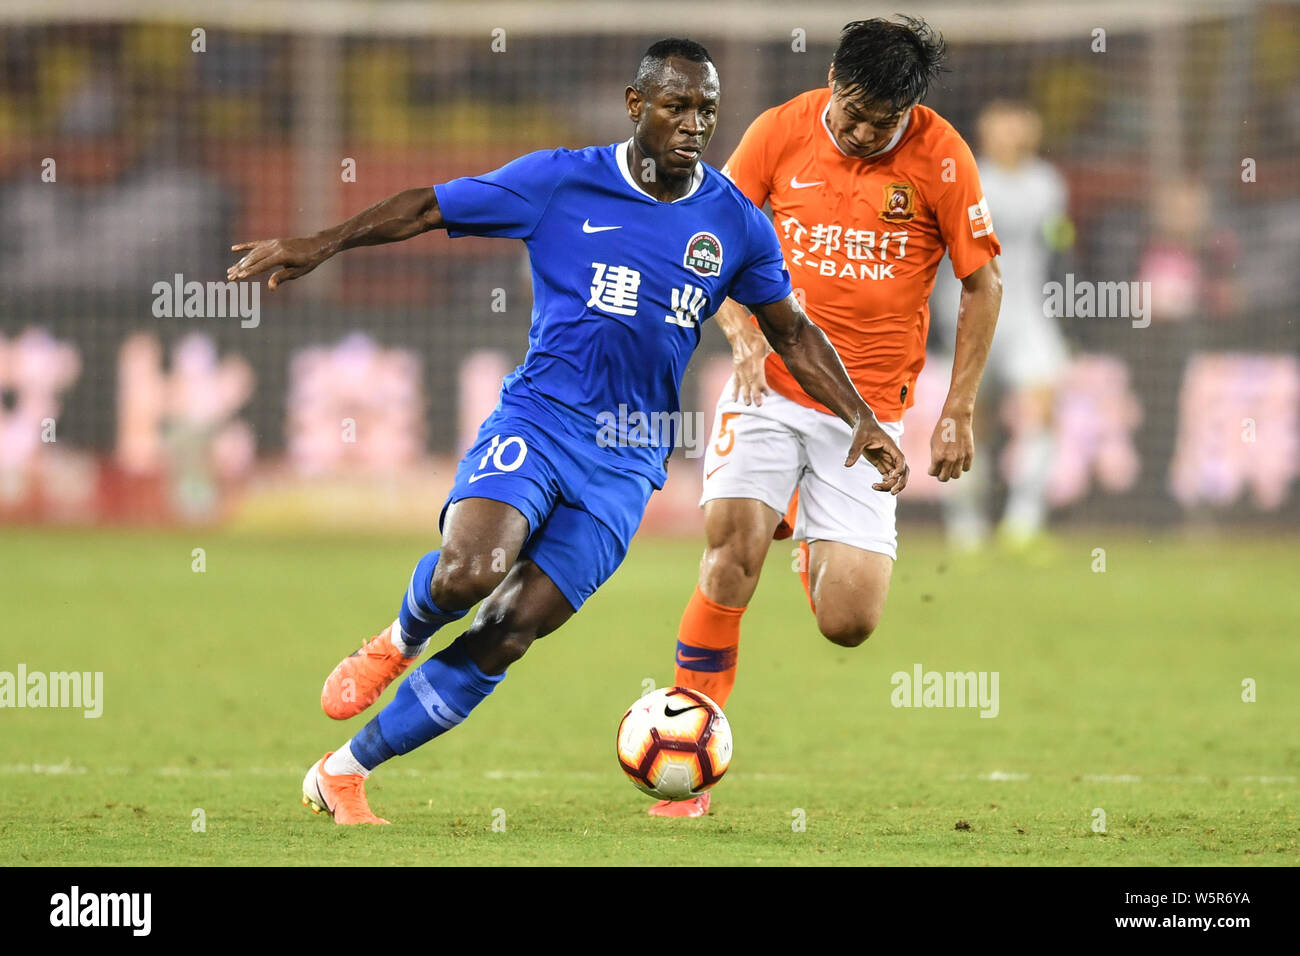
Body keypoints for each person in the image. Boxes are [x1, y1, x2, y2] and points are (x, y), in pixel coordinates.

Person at [226, 38, 907, 825]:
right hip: (541, 419)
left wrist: (862, 417)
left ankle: (343, 773)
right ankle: (398, 638)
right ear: (635, 105)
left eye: (707, 110)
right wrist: (324, 243)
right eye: (677, 106)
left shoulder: (734, 223)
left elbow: (790, 331)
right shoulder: (559, 180)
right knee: (471, 572)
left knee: (512, 629)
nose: (694, 124)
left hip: (626, 463)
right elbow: (426, 206)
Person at [654, 17, 1001, 818]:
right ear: (834, 79)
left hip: (868, 414)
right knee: (731, 549)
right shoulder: (779, 130)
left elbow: (984, 284)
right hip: (770, 386)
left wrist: (958, 411)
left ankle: (813, 544)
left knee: (849, 623)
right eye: (851, 112)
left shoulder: (944, 157)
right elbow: (709, 238)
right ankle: (689, 758)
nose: (862, 131)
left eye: (883, 122)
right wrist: (737, 323)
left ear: (910, 109)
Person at [932, 100, 1072, 551]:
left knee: (1045, 405)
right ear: (986, 131)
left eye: (1021, 122)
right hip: (969, 310)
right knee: (972, 421)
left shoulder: (1049, 185)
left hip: (1027, 311)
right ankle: (966, 525)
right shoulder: (967, 178)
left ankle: (1023, 523)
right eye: (1005, 124)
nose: (1015, 132)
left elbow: (1057, 246)